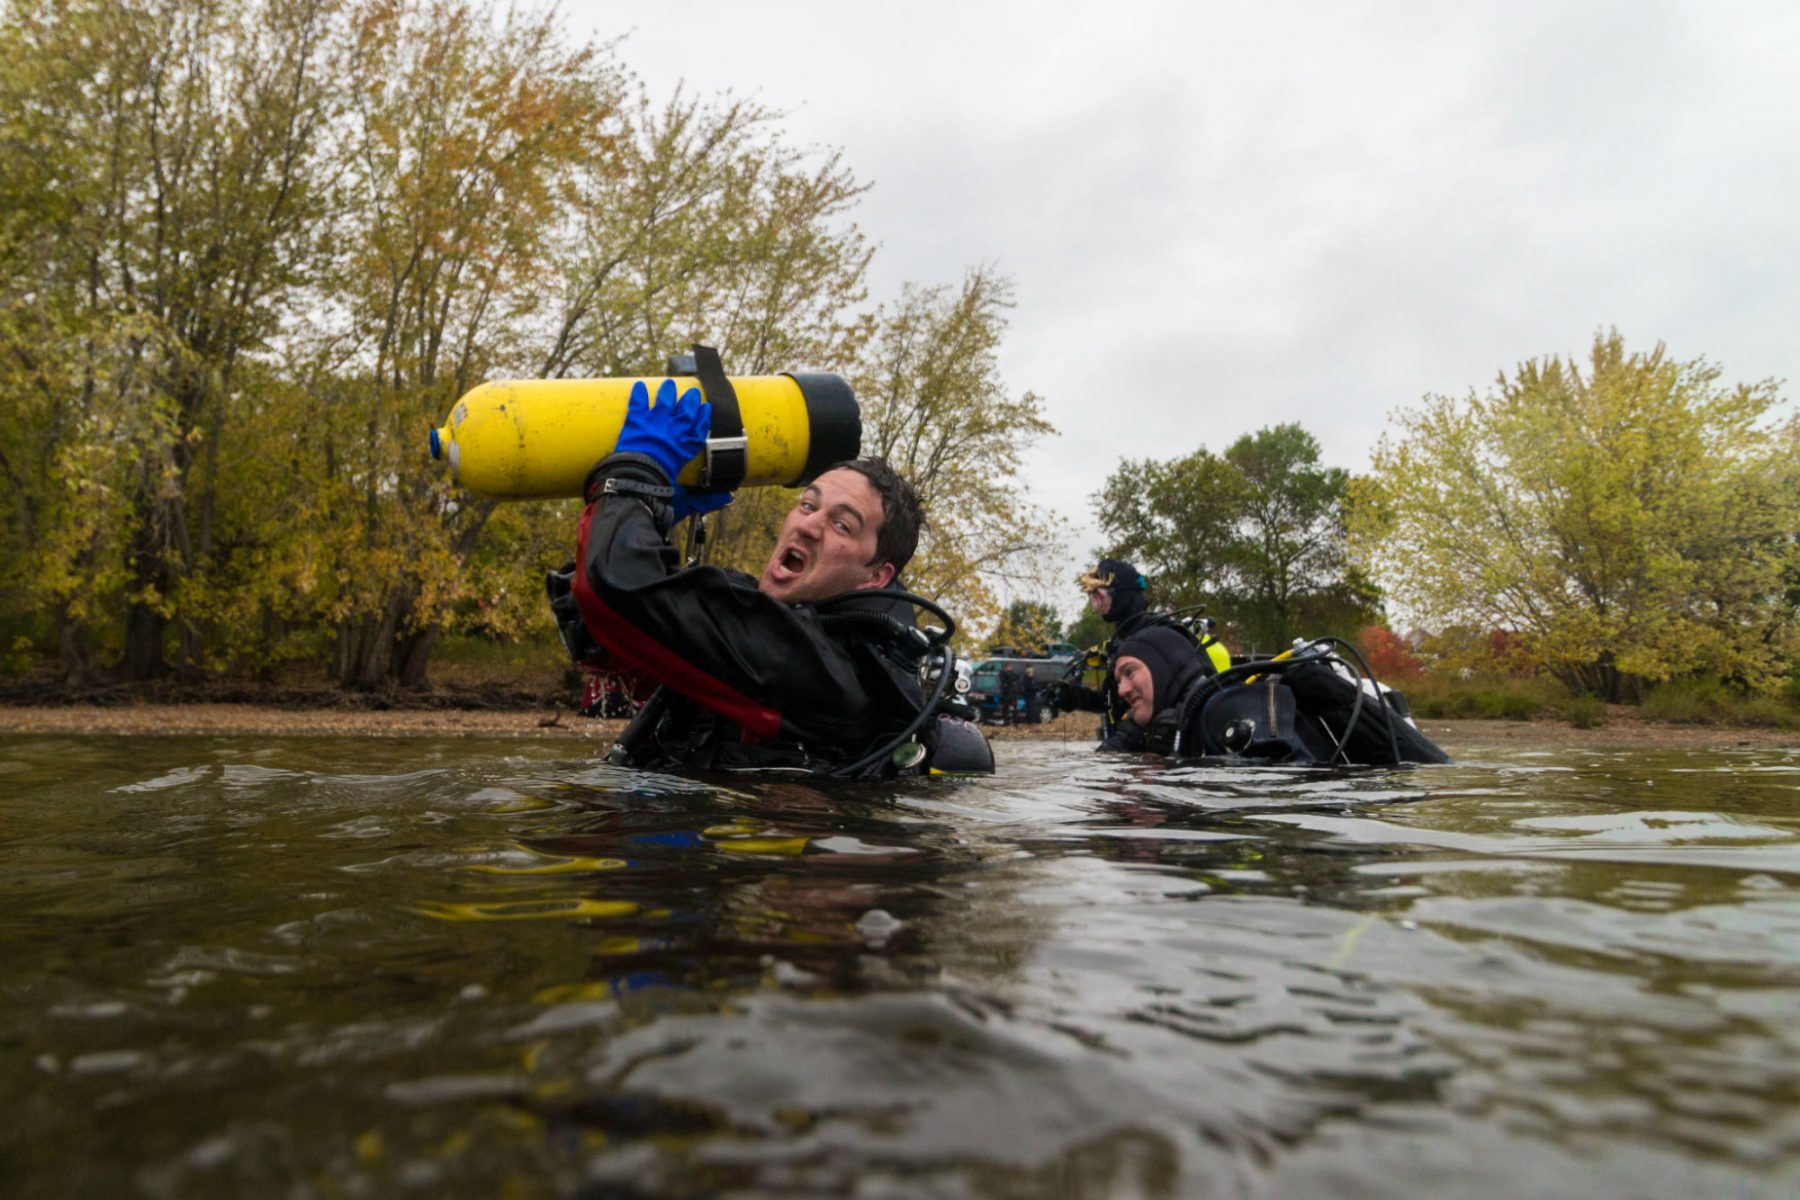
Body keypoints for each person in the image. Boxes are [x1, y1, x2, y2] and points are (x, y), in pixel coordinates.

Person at [545, 378, 992, 776]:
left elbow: (615, 587)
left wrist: (636, 478)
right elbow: (608, 643)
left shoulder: (821, 669)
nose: (808, 525)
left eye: (842, 525)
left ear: (876, 575)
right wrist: (650, 523)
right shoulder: (777, 628)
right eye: (808, 504)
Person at [1107, 625, 1450, 764]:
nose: (1122, 689)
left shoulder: (1222, 709)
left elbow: (1290, 793)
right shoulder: (1195, 718)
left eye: (1130, 672)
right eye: (1118, 679)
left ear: (1166, 668)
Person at [1056, 558, 1230, 752]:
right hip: (1134, 757)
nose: (1097, 605)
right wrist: (1075, 697)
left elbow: (1201, 687)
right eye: (1093, 600)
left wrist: (1149, 729)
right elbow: (1113, 700)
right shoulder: (1118, 643)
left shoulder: (1165, 635)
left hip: (1166, 756)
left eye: (1100, 596)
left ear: (1120, 593)